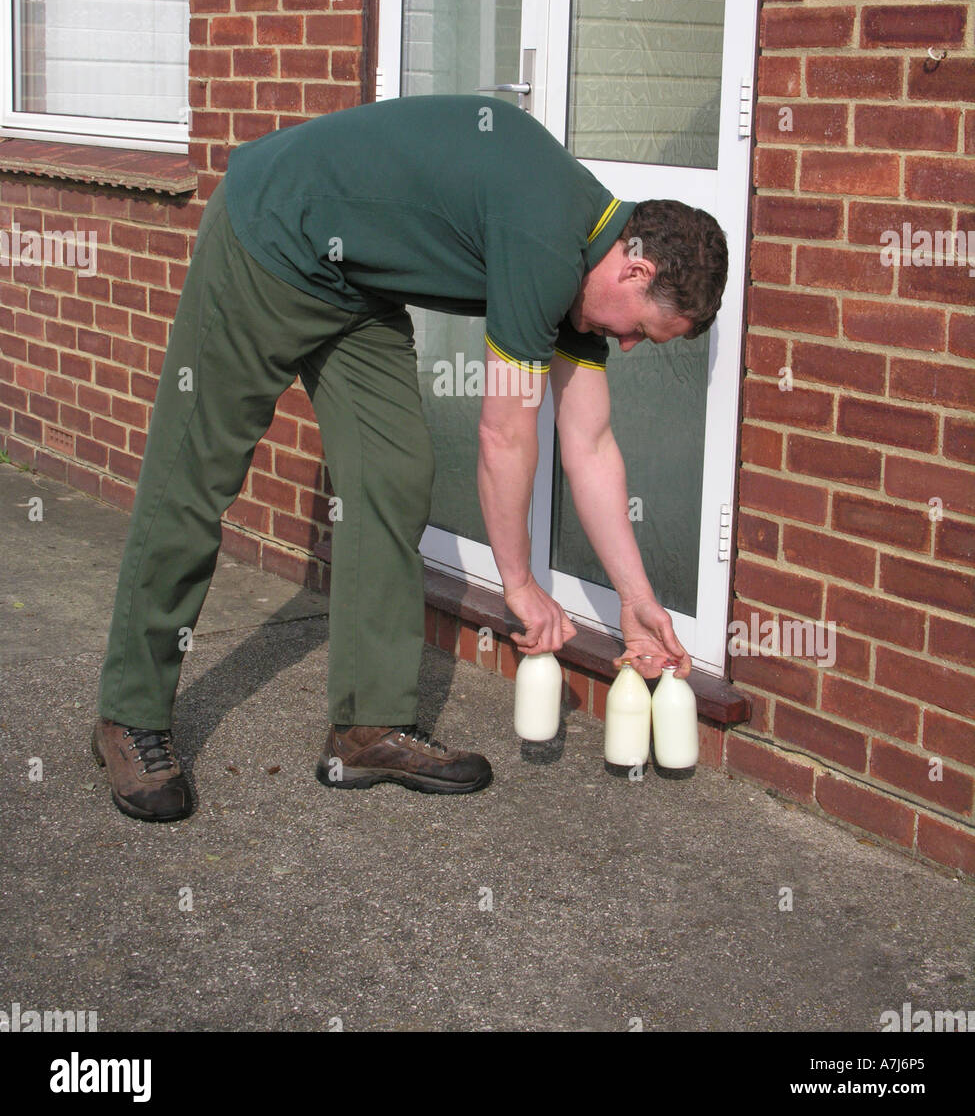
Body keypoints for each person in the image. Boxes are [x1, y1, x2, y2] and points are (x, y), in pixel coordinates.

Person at [92, 94, 728, 821]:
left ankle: (368, 727)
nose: (628, 346)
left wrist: (637, 600)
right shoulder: (546, 236)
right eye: (643, 332)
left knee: (393, 478)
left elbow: (588, 445)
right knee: (194, 476)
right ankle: (130, 715)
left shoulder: (584, 271)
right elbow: (504, 432)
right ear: (635, 273)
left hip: (356, 289)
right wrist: (517, 584)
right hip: (267, 238)